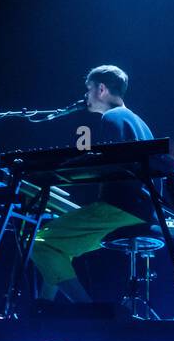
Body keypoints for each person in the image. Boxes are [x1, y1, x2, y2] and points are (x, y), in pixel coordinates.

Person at [28, 65, 158, 304]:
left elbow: (110, 159)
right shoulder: (139, 122)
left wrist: (64, 166)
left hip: (119, 209)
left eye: (87, 90)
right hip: (141, 209)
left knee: (39, 243)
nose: (85, 97)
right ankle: (44, 308)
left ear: (101, 89)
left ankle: (86, 310)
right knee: (58, 248)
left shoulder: (112, 117)